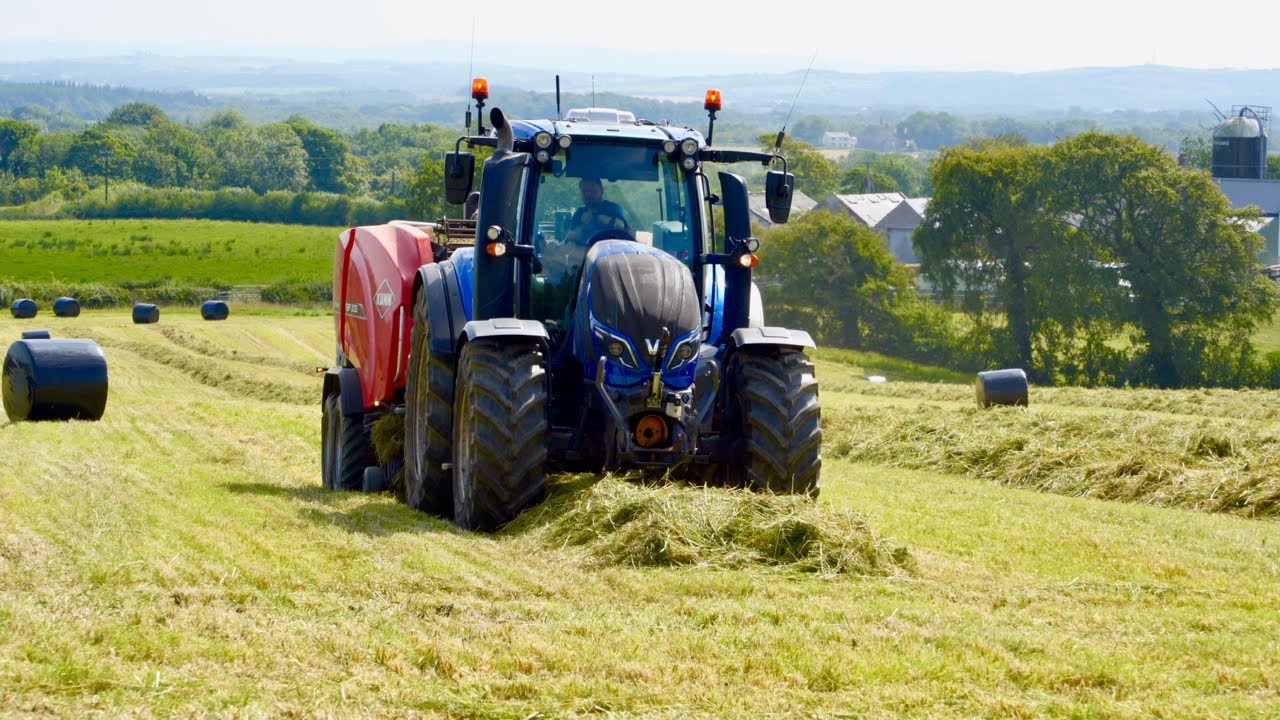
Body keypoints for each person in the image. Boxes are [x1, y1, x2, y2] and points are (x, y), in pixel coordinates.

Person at [564, 177, 631, 245]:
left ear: (601, 191)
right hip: (584, 252)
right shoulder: (580, 212)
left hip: (610, 251)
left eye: (593, 191)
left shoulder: (612, 208)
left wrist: (600, 218)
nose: (588, 195)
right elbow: (570, 237)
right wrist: (582, 225)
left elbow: (620, 226)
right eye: (584, 192)